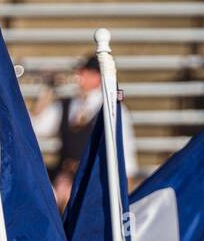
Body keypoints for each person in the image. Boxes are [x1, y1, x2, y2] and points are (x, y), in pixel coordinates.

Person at [30, 56, 140, 210]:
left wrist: (124, 201)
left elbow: (126, 158)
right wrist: (46, 90)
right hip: (63, 178)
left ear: (97, 77)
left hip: (95, 181)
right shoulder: (68, 105)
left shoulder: (113, 110)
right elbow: (36, 127)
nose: (78, 75)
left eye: (84, 72)